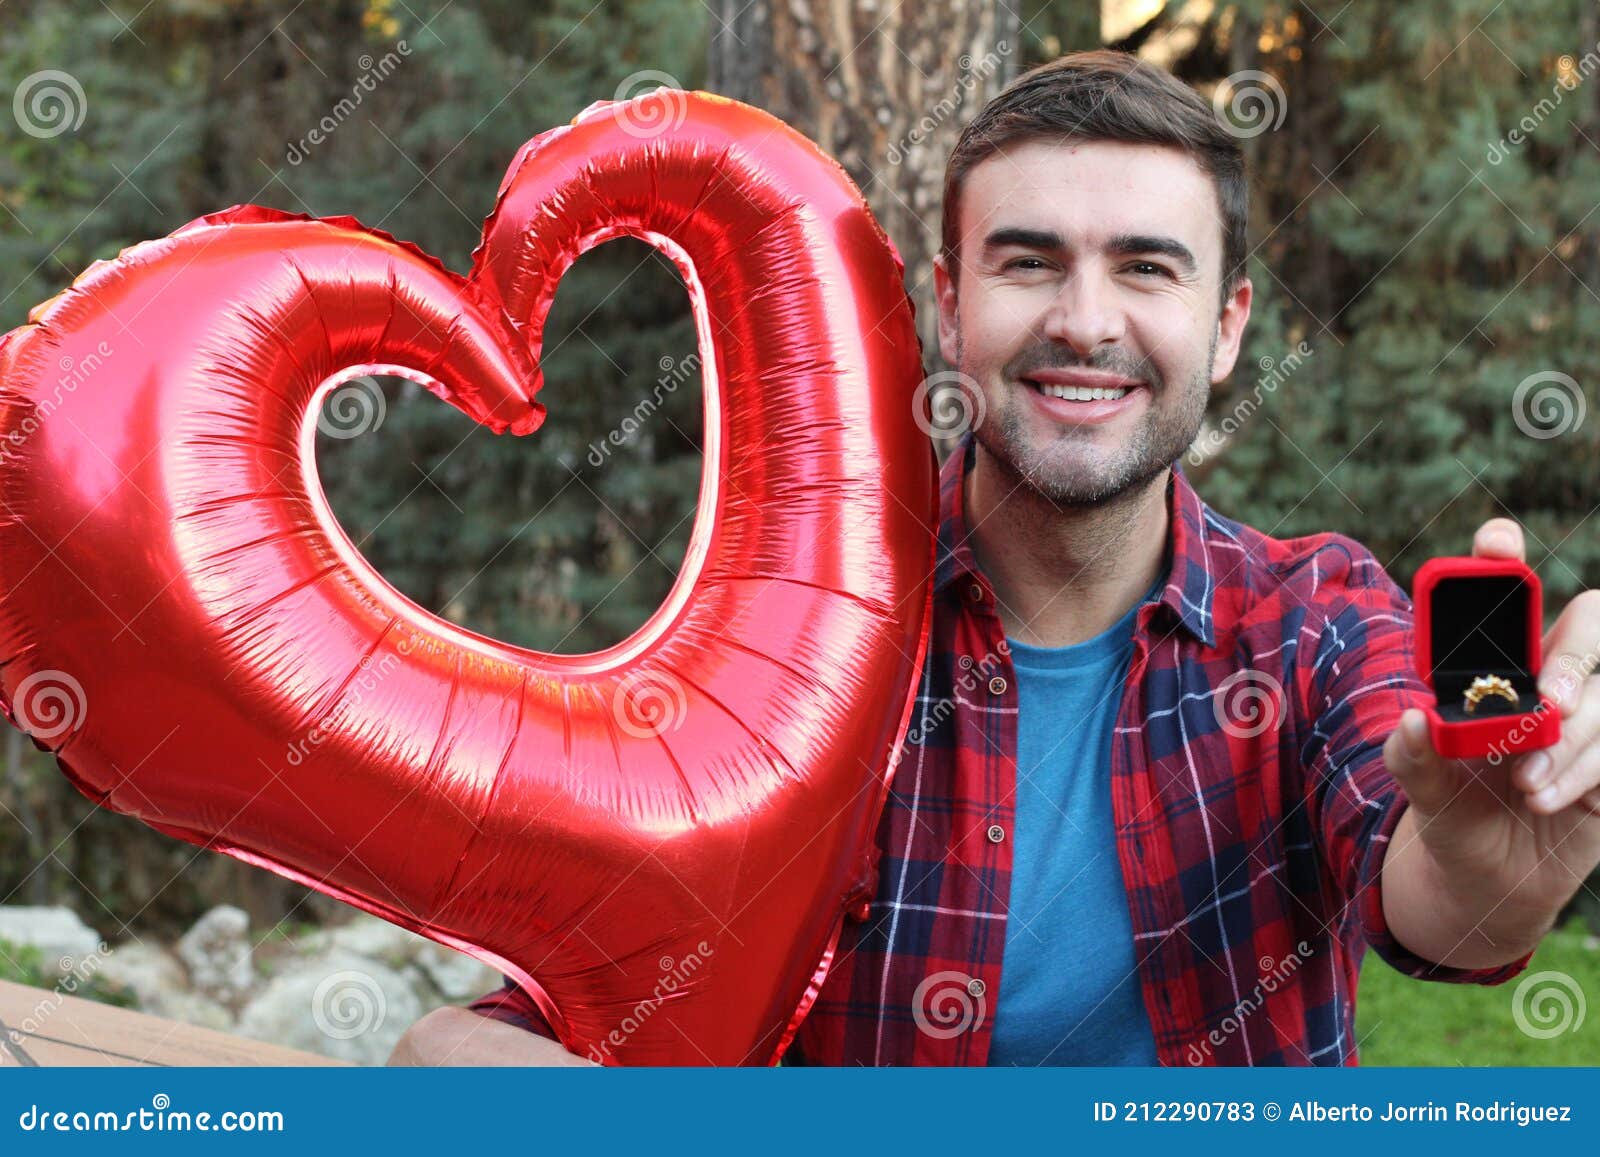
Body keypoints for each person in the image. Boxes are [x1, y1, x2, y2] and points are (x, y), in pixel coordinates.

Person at [390, 49, 1600, 1067]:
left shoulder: (1316, 619)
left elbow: (1434, 887)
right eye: (1028, 261)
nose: (1084, 320)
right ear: (950, 303)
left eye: (1146, 267)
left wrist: (1493, 864)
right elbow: (590, 987)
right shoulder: (787, 638)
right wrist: (466, 1049)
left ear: (1228, 326)